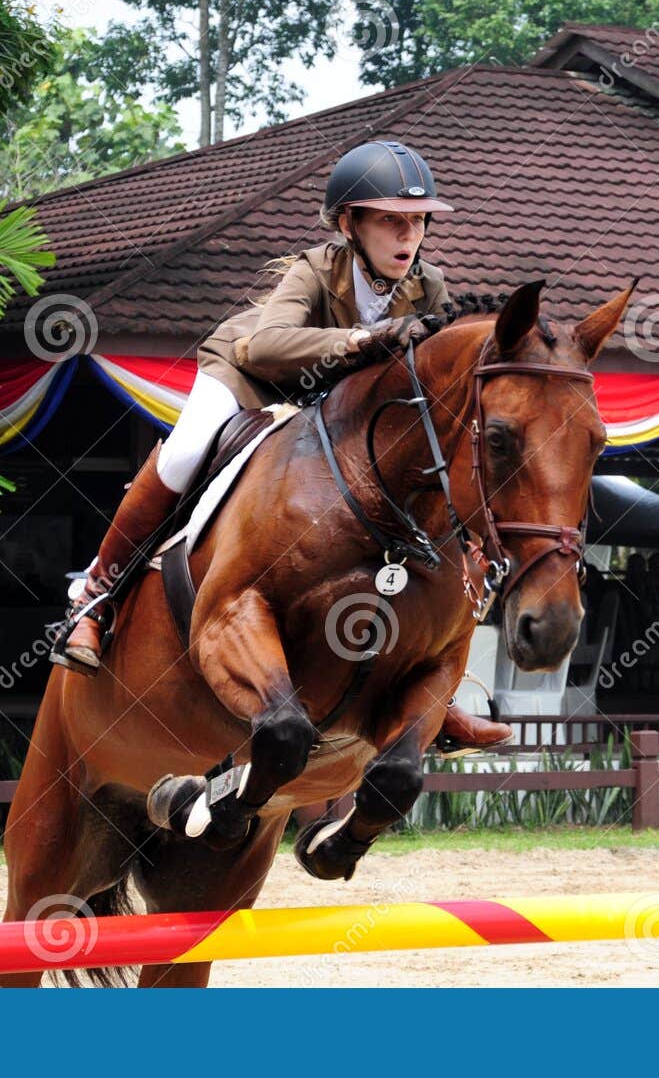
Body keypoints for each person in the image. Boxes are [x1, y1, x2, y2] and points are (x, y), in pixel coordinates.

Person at [52, 140, 507, 752]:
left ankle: (437, 695)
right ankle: (95, 599)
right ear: (351, 223)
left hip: (338, 410)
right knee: (185, 454)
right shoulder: (316, 269)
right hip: (249, 377)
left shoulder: (430, 286)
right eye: (391, 220)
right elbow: (266, 346)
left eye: (419, 221)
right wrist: (363, 338)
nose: (409, 236)